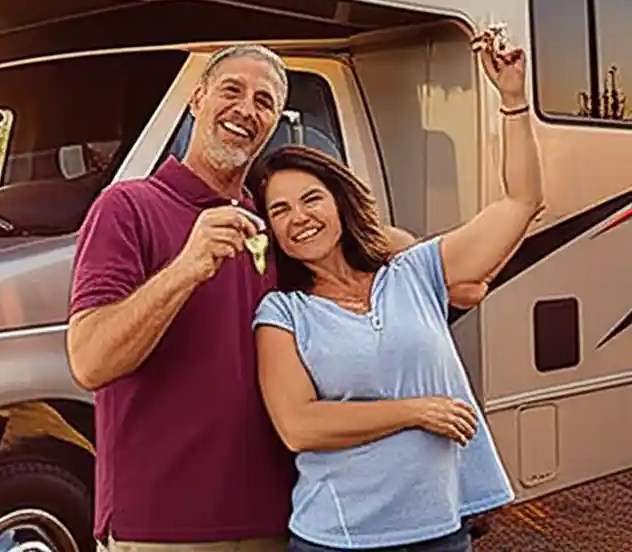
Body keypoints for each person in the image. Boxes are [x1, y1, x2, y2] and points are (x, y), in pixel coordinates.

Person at [65, 44, 483, 552]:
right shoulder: (128, 206)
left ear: (273, 122)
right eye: (232, 90)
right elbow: (89, 361)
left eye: (264, 101)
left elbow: (461, 284)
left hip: (277, 520)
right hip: (163, 526)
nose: (247, 109)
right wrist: (185, 270)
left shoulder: (273, 224)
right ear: (197, 99)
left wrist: (384, 239)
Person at [249, 34, 539, 551]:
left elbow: (521, 202)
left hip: (442, 531)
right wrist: (415, 411)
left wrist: (513, 100)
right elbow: (299, 425)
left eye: (311, 198)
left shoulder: (413, 272)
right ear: (270, 230)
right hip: (340, 538)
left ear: (339, 203)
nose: (300, 218)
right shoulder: (284, 312)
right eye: (280, 211)